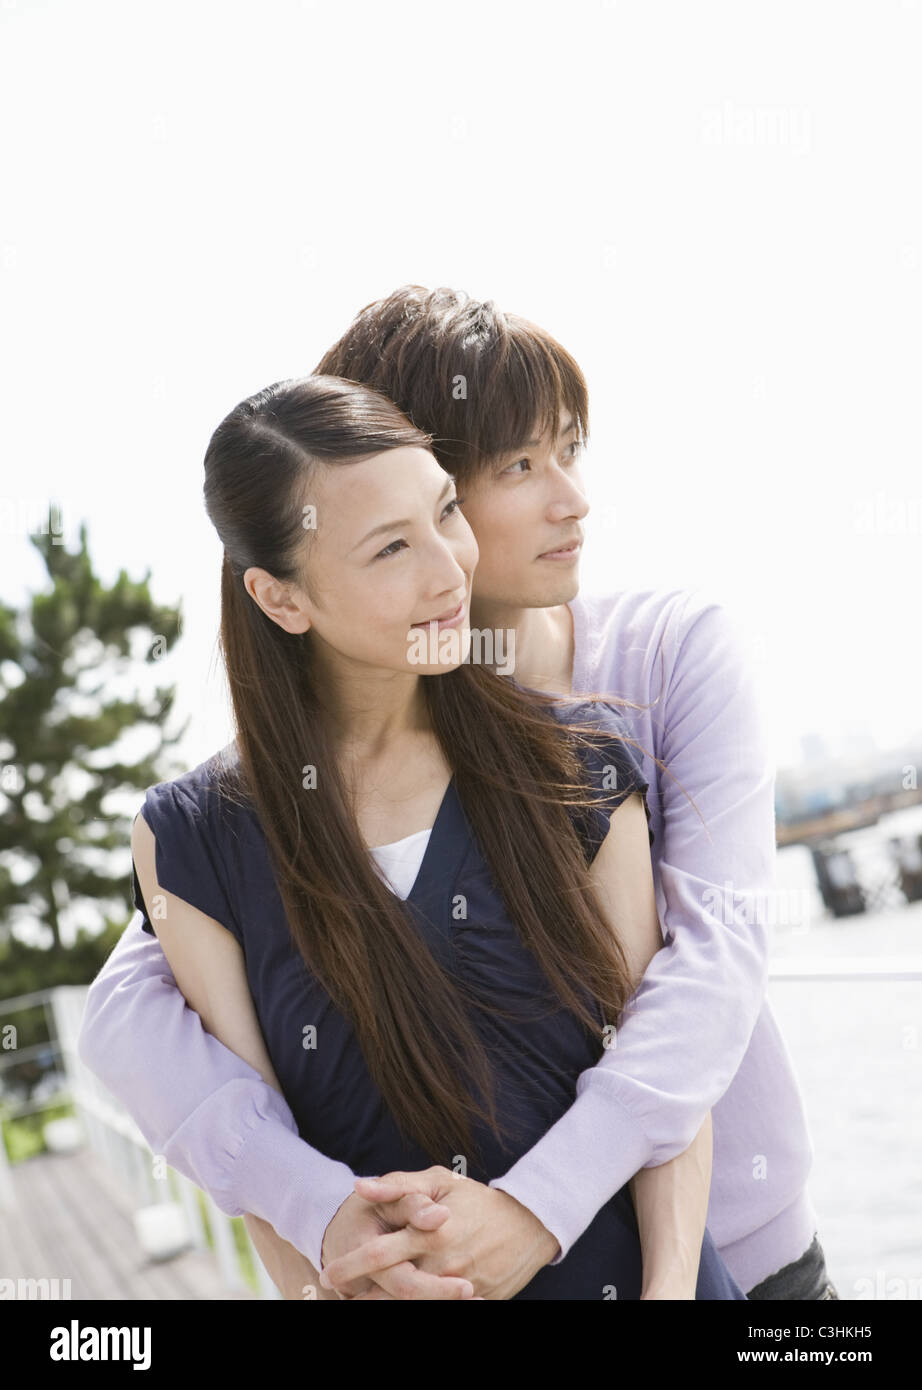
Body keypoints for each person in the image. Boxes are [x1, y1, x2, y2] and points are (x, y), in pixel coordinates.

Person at [79, 286, 838, 1301]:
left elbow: (705, 972)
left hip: (738, 1253)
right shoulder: (229, 821)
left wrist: (536, 1214)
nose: (569, 499)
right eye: (518, 464)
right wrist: (326, 1225)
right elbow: (142, 1009)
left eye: (570, 450)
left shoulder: (644, 677)